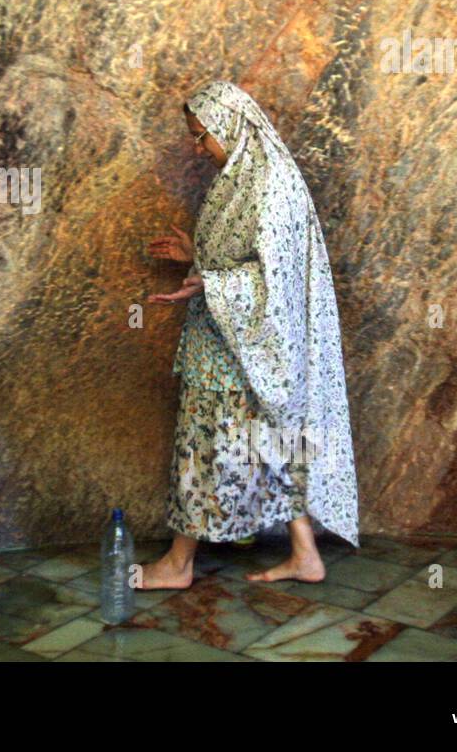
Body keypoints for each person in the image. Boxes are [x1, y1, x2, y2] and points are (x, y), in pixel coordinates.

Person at [143, 81, 358, 587]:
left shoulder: (270, 182)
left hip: (242, 347)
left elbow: (277, 279)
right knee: (268, 441)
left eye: (203, 136)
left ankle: (178, 563)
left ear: (230, 125)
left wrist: (208, 283)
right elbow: (248, 261)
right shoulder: (239, 174)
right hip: (232, 337)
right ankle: (305, 554)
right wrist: (195, 260)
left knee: (201, 444)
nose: (200, 148)